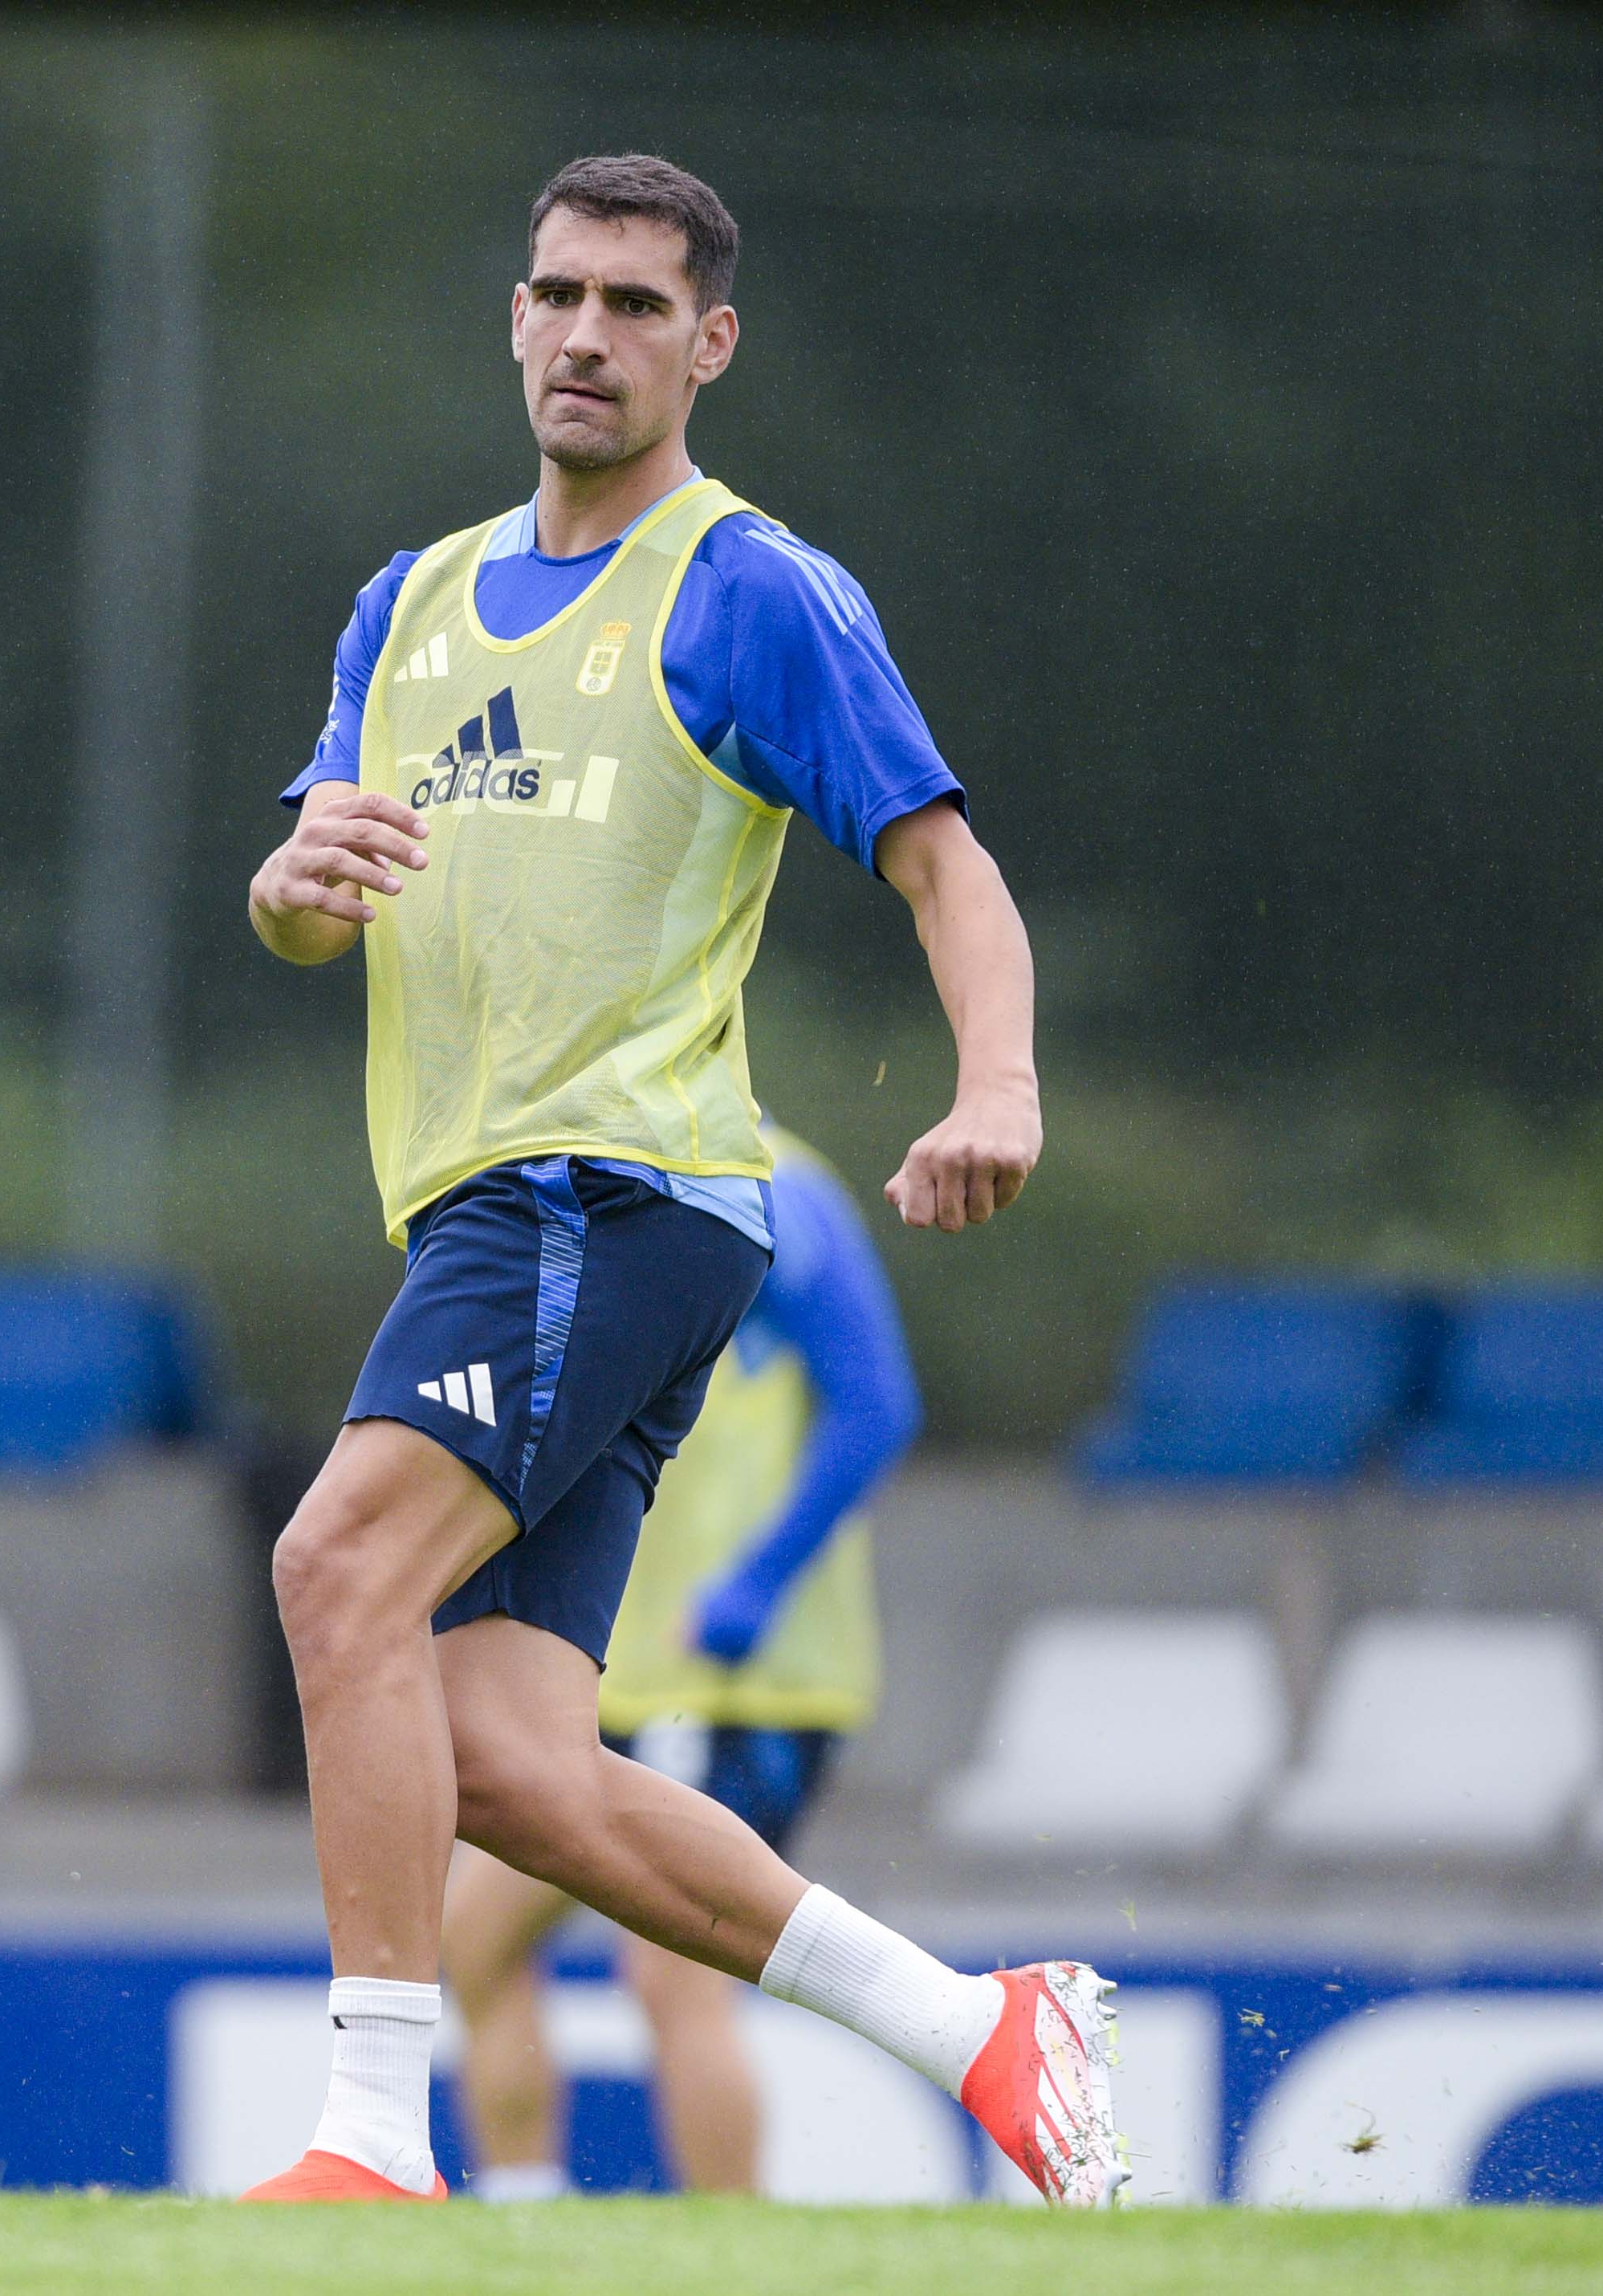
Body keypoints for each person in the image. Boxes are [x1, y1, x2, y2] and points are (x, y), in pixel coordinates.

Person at [238, 153, 1121, 2206]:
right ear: (513, 314)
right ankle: (980, 2028)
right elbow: (314, 901)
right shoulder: (413, 598)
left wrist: (998, 1082)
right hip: (490, 1206)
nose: (583, 334)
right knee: (521, 1767)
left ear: (708, 346)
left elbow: (945, 864)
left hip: (602, 1187)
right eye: (556, 292)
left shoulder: (750, 589)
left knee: (328, 1568)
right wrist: (286, 891)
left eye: (637, 306)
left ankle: (370, 2141)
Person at [441, 1126, 918, 2200]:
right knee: (471, 1937)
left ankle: (731, 2250)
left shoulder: (778, 1186)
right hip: (605, 1666)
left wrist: (755, 1583)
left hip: (727, 1678)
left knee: (675, 1974)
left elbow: (875, 1403)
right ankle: (525, 2234)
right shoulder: (564, 1163)